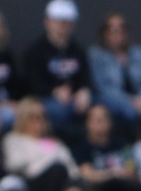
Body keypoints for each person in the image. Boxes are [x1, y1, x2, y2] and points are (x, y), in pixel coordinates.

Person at [21, 0, 91, 129]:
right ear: (47, 22)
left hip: (73, 99)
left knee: (97, 107)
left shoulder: (78, 51)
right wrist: (54, 91)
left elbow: (85, 77)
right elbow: (32, 84)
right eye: (58, 21)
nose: (63, 26)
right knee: (58, 110)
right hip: (46, 99)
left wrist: (83, 90)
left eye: (67, 22)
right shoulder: (35, 51)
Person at [2, 97, 78, 191]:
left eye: (43, 116)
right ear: (23, 118)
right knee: (57, 169)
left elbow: (71, 168)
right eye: (33, 117)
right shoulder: (14, 139)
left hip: (59, 183)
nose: (39, 120)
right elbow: (14, 165)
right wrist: (48, 160)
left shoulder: (54, 143)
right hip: (31, 185)